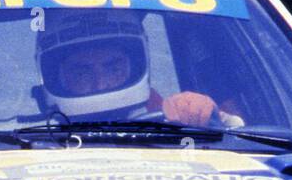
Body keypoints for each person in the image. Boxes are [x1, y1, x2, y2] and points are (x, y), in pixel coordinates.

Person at [34, 9, 244, 127]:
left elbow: (238, 130)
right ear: (56, 76)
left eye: (113, 68)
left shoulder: (172, 116)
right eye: (82, 73)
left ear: (135, 65)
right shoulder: (19, 139)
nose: (101, 84)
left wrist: (208, 115)